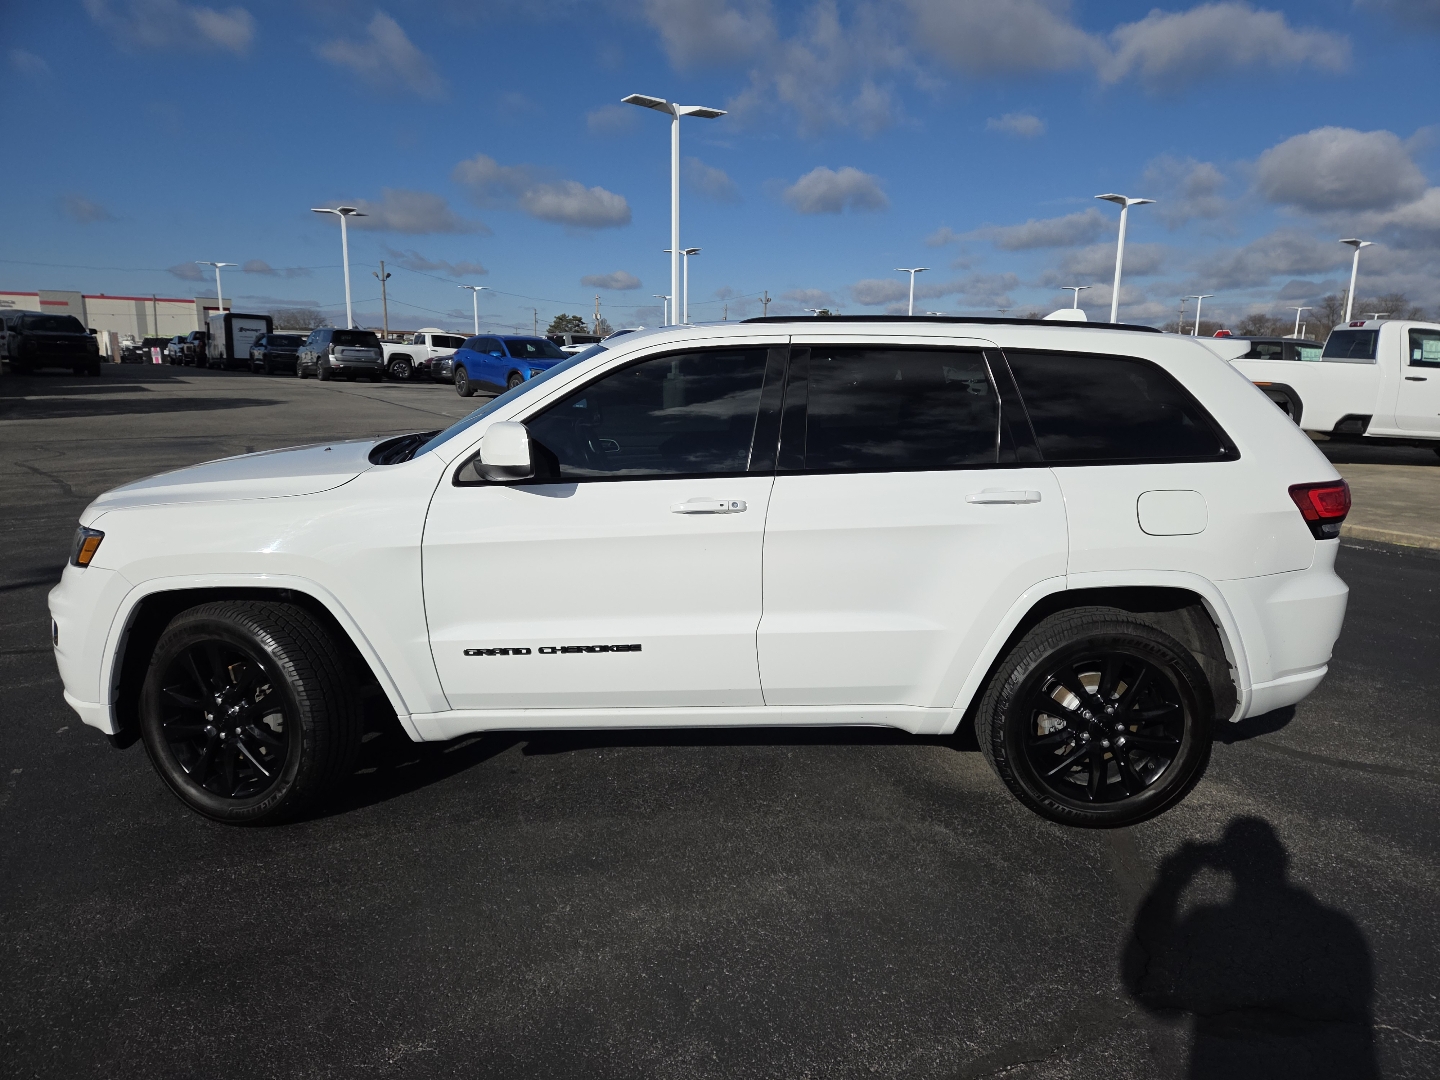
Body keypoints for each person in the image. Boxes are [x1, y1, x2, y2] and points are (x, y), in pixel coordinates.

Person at [1122, 817, 1378, 1079]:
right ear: (1281, 857)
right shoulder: (1336, 926)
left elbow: (1153, 998)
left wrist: (1171, 881)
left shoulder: (1207, 920)